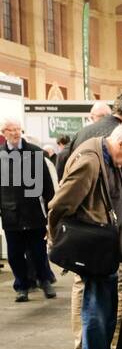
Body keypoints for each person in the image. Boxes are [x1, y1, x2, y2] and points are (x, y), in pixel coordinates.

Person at [47, 124, 122, 349]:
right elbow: (60, 204)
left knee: (103, 305)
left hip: (103, 246)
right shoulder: (91, 162)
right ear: (121, 143)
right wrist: (57, 237)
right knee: (96, 308)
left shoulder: (105, 155)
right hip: (93, 248)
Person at [69, 91, 122, 349]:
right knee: (117, 286)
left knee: (84, 287)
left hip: (86, 228)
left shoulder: (87, 133)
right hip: (114, 227)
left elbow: (66, 172)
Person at [0, 117, 58, 302]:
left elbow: (47, 185)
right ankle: (22, 286)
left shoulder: (35, 153)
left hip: (33, 212)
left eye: (18, 129)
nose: (16, 133)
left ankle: (45, 280)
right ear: (3, 133)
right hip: (11, 214)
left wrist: (51, 209)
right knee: (15, 253)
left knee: (38, 250)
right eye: (11, 130)